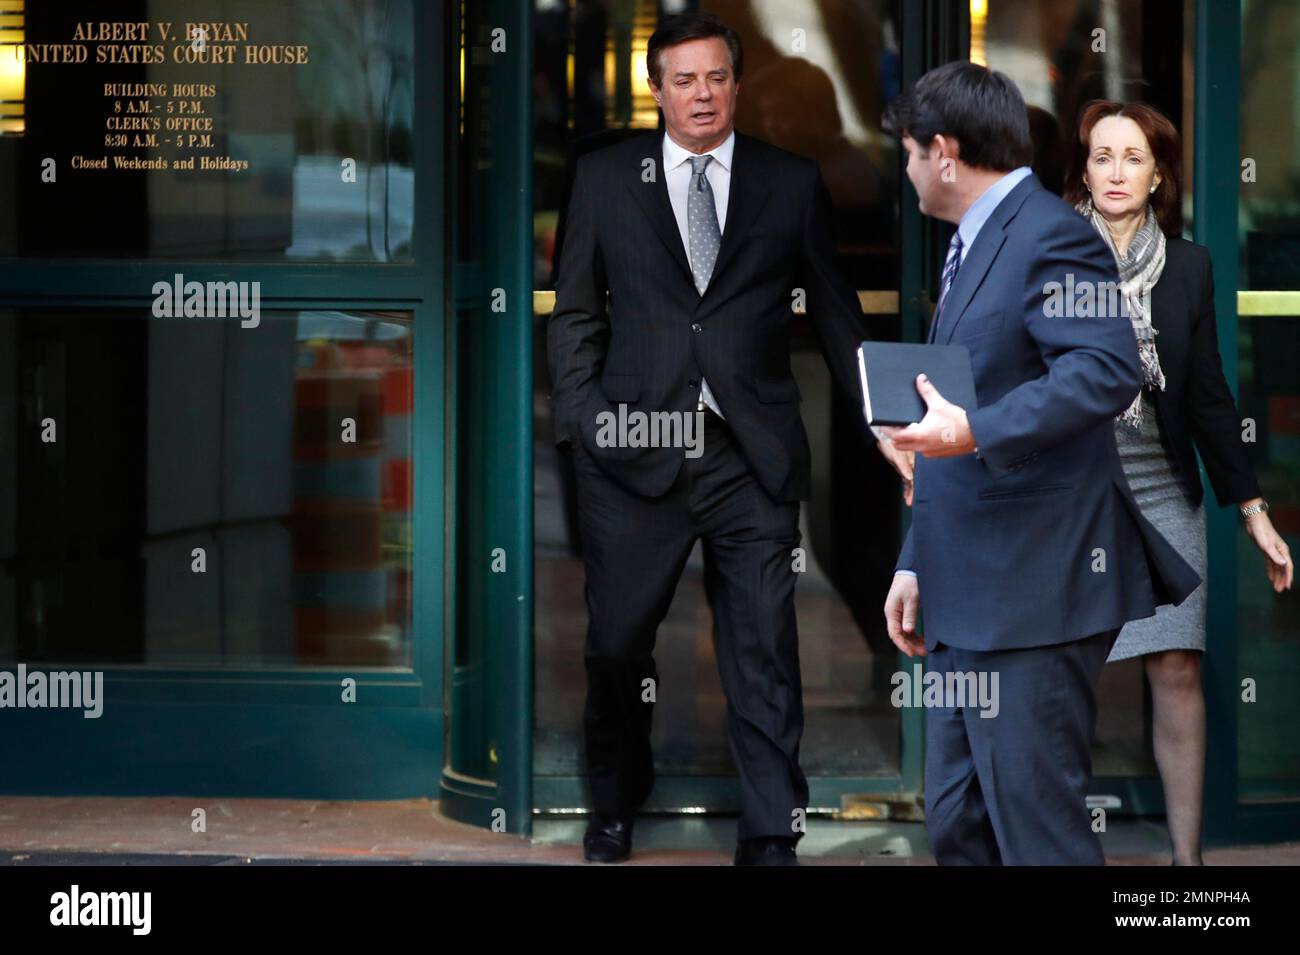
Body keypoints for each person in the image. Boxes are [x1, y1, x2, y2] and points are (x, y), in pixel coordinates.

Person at [547, 11, 908, 866]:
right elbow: (572, 314)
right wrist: (588, 422)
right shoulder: (603, 177)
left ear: (736, 86)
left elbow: (835, 313)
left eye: (716, 78)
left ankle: (769, 827)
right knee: (616, 646)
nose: (701, 94)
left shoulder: (789, 182)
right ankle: (613, 799)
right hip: (633, 450)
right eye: (684, 79)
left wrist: (885, 416)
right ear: (657, 89)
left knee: (762, 651)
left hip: (751, 453)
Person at [879, 61, 1201, 865]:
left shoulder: (1052, 233)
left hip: (1033, 592)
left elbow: (1103, 368)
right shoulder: (974, 241)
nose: (908, 169)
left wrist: (975, 431)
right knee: (960, 823)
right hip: (964, 591)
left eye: (911, 151)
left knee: (1036, 831)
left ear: (945, 151)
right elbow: (952, 417)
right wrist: (916, 561)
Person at [1065, 100, 1294, 865]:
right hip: (1075, 494)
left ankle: (1186, 865)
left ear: (1158, 173)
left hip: (1163, 488)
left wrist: (1253, 511)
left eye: (1133, 157)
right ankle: (1058, 845)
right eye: (1103, 156)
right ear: (1085, 168)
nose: (1117, 171)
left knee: (1176, 666)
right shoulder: (1055, 253)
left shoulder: (1189, 266)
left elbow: (1207, 398)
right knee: (1066, 671)